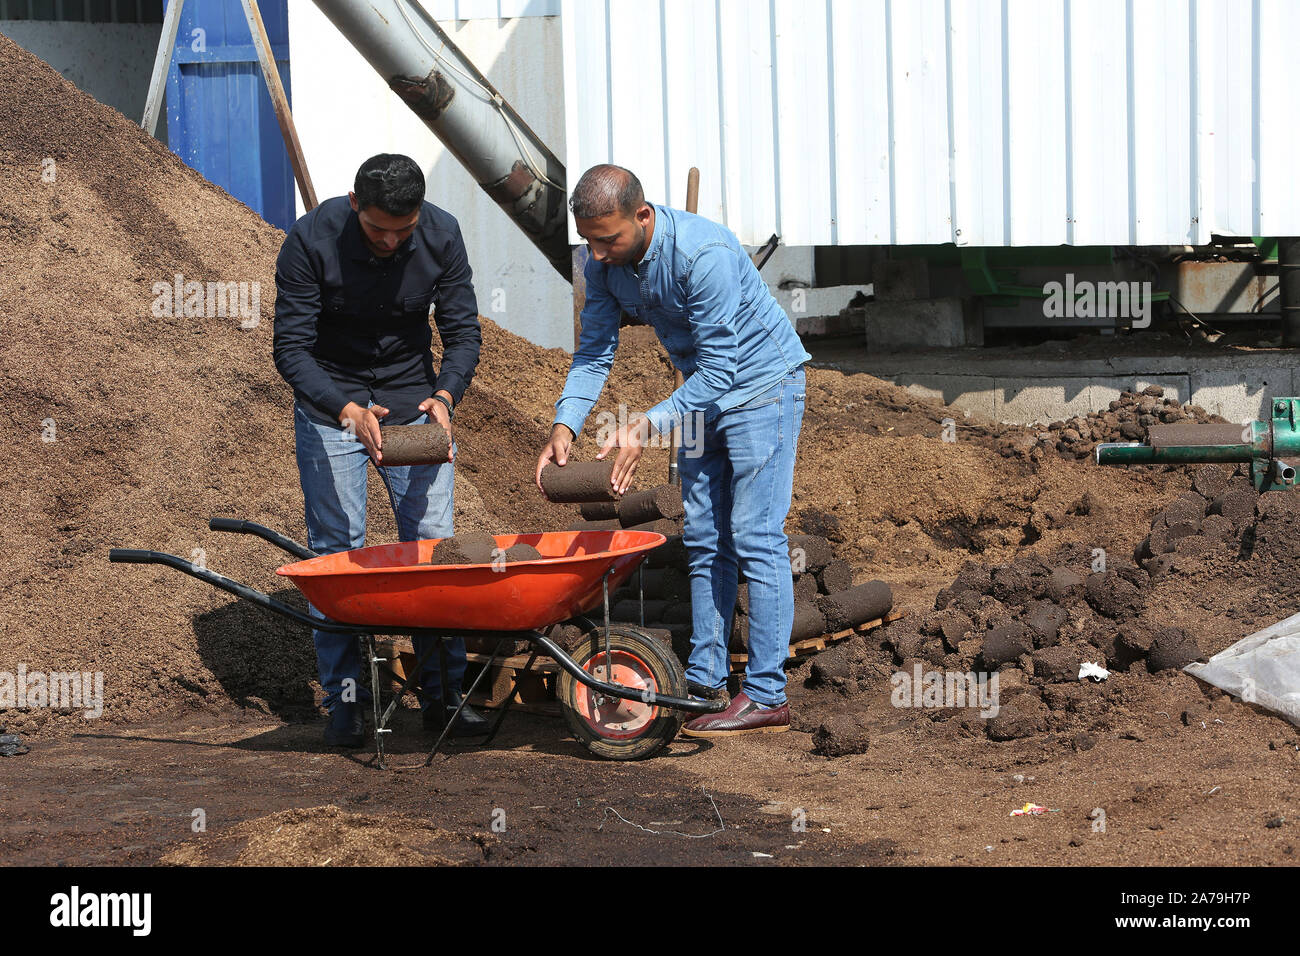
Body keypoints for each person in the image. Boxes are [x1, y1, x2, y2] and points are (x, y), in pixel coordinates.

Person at [535, 164, 811, 737]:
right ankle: (706, 682)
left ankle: (765, 693)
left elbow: (723, 367)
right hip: (699, 394)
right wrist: (565, 425)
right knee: (706, 535)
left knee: (756, 535)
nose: (599, 253)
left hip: (761, 387)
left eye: (608, 238)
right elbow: (593, 354)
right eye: (589, 241)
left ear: (642, 215)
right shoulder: (603, 262)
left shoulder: (703, 254)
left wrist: (644, 427)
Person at [273, 153, 488, 747]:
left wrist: (446, 395)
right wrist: (345, 409)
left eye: (404, 229)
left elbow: (464, 332)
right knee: (338, 552)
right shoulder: (309, 241)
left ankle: (444, 697)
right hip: (331, 400)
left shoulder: (442, 234)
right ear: (353, 205)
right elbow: (291, 350)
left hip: (414, 398)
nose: (392, 241)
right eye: (378, 230)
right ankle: (346, 705)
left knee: (433, 545)